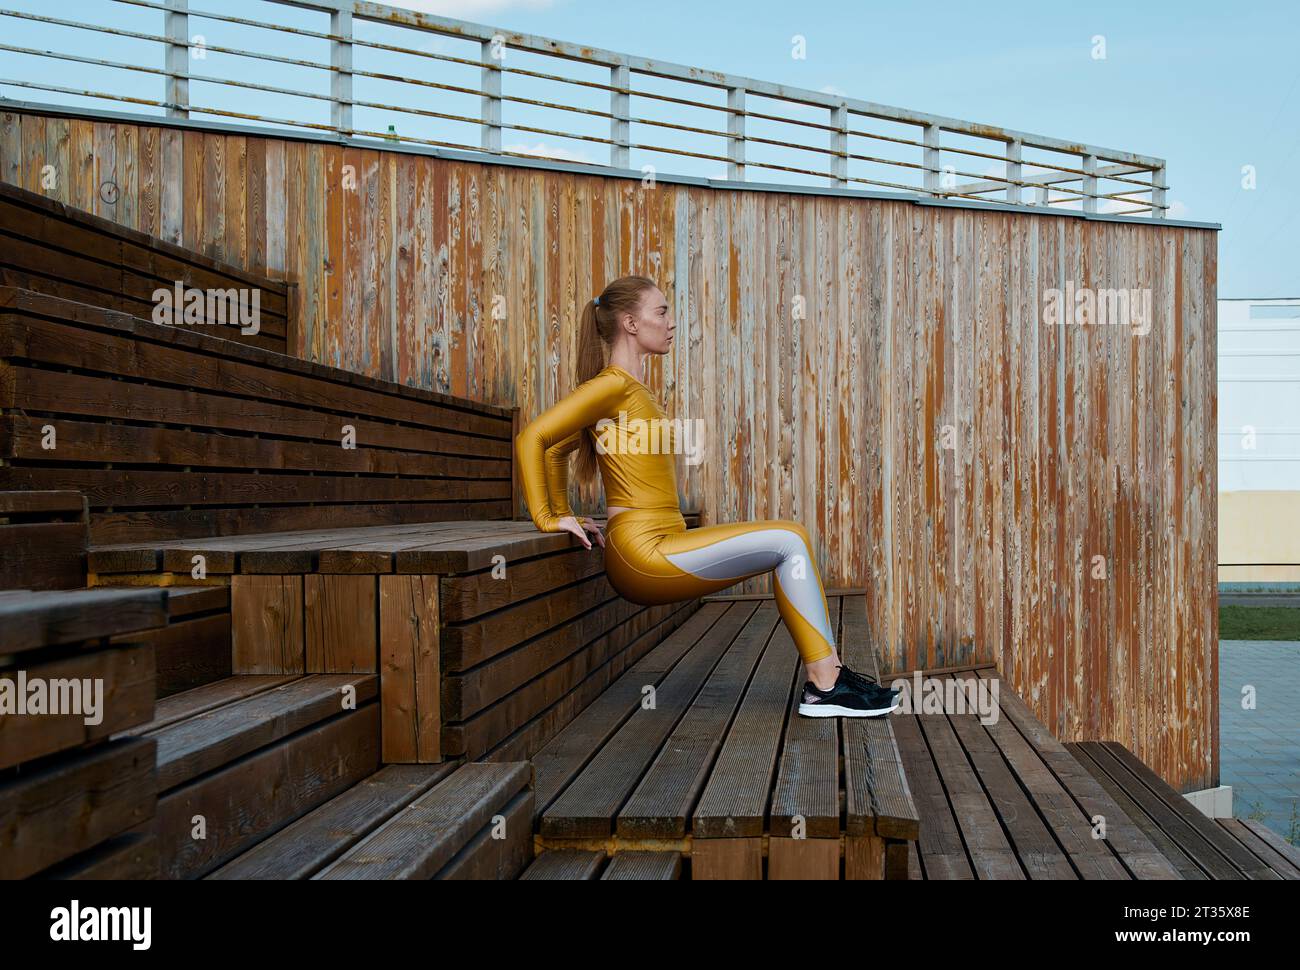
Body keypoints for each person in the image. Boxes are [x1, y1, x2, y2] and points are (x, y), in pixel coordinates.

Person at [514, 275, 899, 718]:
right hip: (642, 552)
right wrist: (548, 516)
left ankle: (829, 676)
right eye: (661, 312)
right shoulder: (613, 384)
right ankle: (825, 687)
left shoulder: (634, 391)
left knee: (791, 540)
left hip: (660, 543)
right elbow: (534, 438)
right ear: (630, 324)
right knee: (789, 540)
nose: (671, 322)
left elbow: (560, 448)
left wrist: (567, 512)